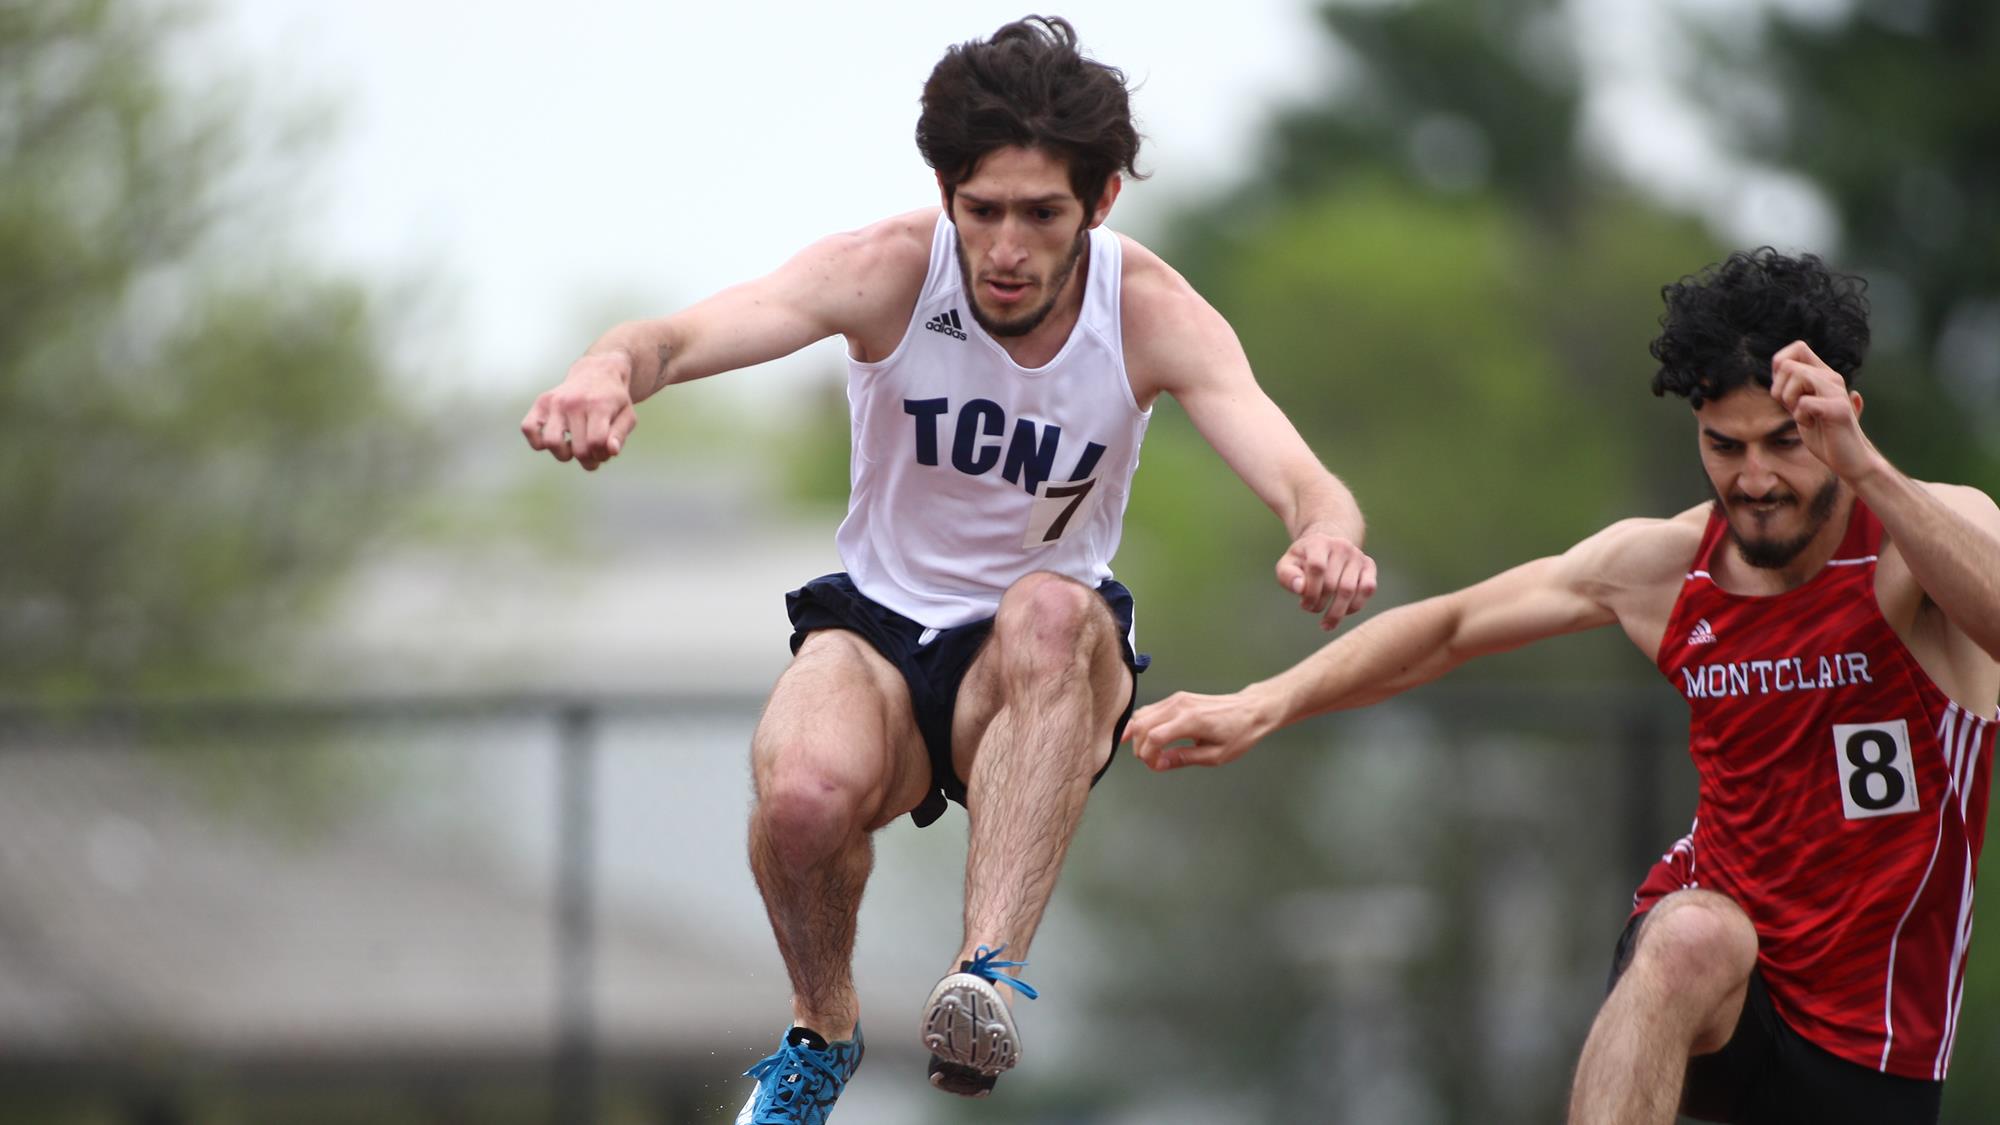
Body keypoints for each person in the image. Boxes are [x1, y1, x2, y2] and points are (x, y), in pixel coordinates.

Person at [520, 16, 1377, 1123]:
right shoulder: (885, 272)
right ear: (944, 191)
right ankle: (819, 1035)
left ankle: (984, 976)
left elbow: (1306, 480)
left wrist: (1325, 535)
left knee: (1042, 611)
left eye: (1041, 215)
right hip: (879, 629)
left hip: (1041, 668)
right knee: (798, 800)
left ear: (1101, 201)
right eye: (981, 212)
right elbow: (676, 339)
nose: (1007, 250)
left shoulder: (1149, 313)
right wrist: (604, 371)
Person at [1124, 249, 2000, 1125]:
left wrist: (1868, 469)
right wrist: (1266, 700)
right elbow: (1450, 627)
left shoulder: (1922, 541)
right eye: (1724, 446)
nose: (1757, 481)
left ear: (1843, 418)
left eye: (1787, 443)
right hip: (1723, 987)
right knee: (1691, 933)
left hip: (1879, 1038)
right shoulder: (1665, 567)